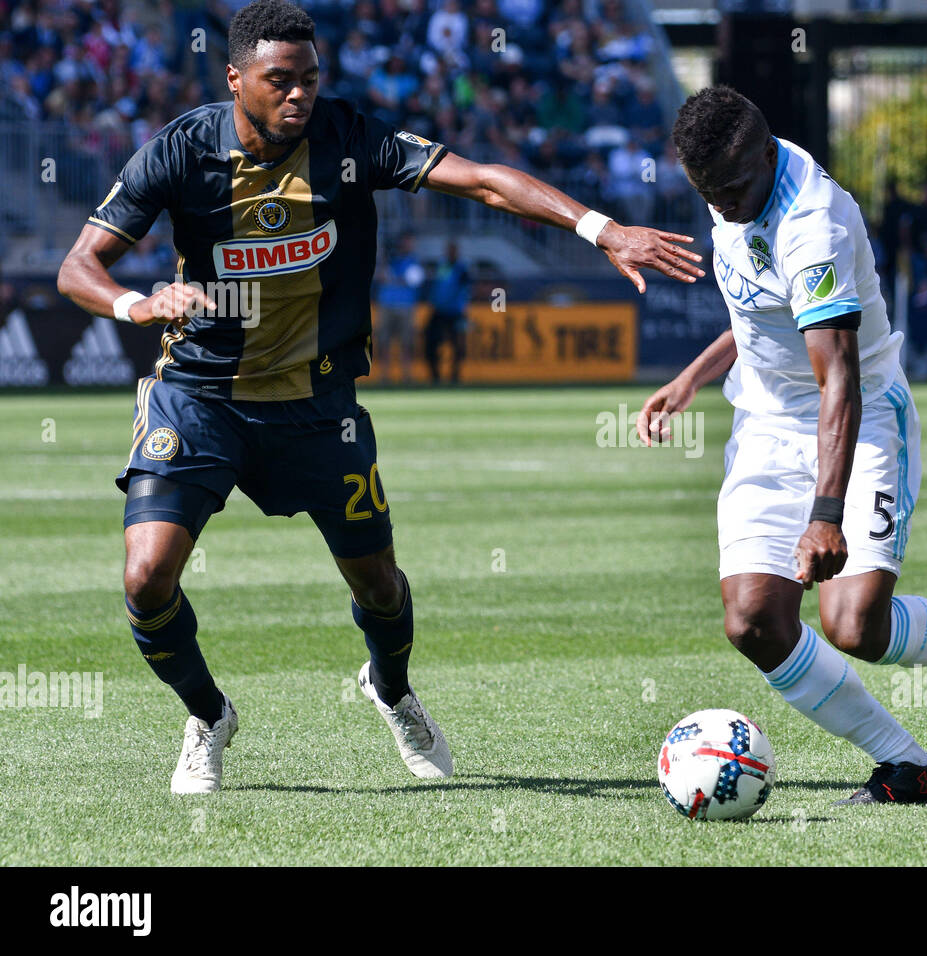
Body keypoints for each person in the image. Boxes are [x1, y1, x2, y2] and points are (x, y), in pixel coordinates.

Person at [55, 0, 704, 795]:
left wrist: (600, 229)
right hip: (200, 397)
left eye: (310, 78)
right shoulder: (180, 152)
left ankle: (391, 690)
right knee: (145, 576)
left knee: (380, 586)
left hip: (320, 407)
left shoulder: (350, 138)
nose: (300, 95)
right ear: (235, 80)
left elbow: (484, 182)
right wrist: (136, 304)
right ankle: (207, 714)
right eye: (279, 81)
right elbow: (78, 266)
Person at [637, 87, 927, 807]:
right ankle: (908, 766)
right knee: (754, 623)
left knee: (854, 623)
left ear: (767, 156)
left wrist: (825, 512)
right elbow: (759, 306)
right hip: (766, 427)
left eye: (736, 191)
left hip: (858, 421)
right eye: (712, 196)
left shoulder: (813, 225)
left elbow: (840, 381)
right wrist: (693, 377)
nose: (727, 208)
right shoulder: (731, 182)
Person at [374, 232, 424, 383]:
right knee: (383, 342)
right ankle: (384, 376)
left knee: (407, 343)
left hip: (405, 306)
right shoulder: (388, 260)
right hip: (387, 304)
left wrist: (392, 278)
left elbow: (413, 279)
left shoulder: (413, 261)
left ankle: (406, 375)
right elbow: (380, 277)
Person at [425, 240, 471, 384]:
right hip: (440, 311)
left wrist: (463, 307)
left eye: (453, 250)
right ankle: (436, 377)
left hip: (456, 312)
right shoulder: (442, 266)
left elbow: (466, 290)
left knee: (459, 346)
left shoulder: (462, 268)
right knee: (431, 344)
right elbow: (438, 286)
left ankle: (455, 376)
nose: (450, 253)